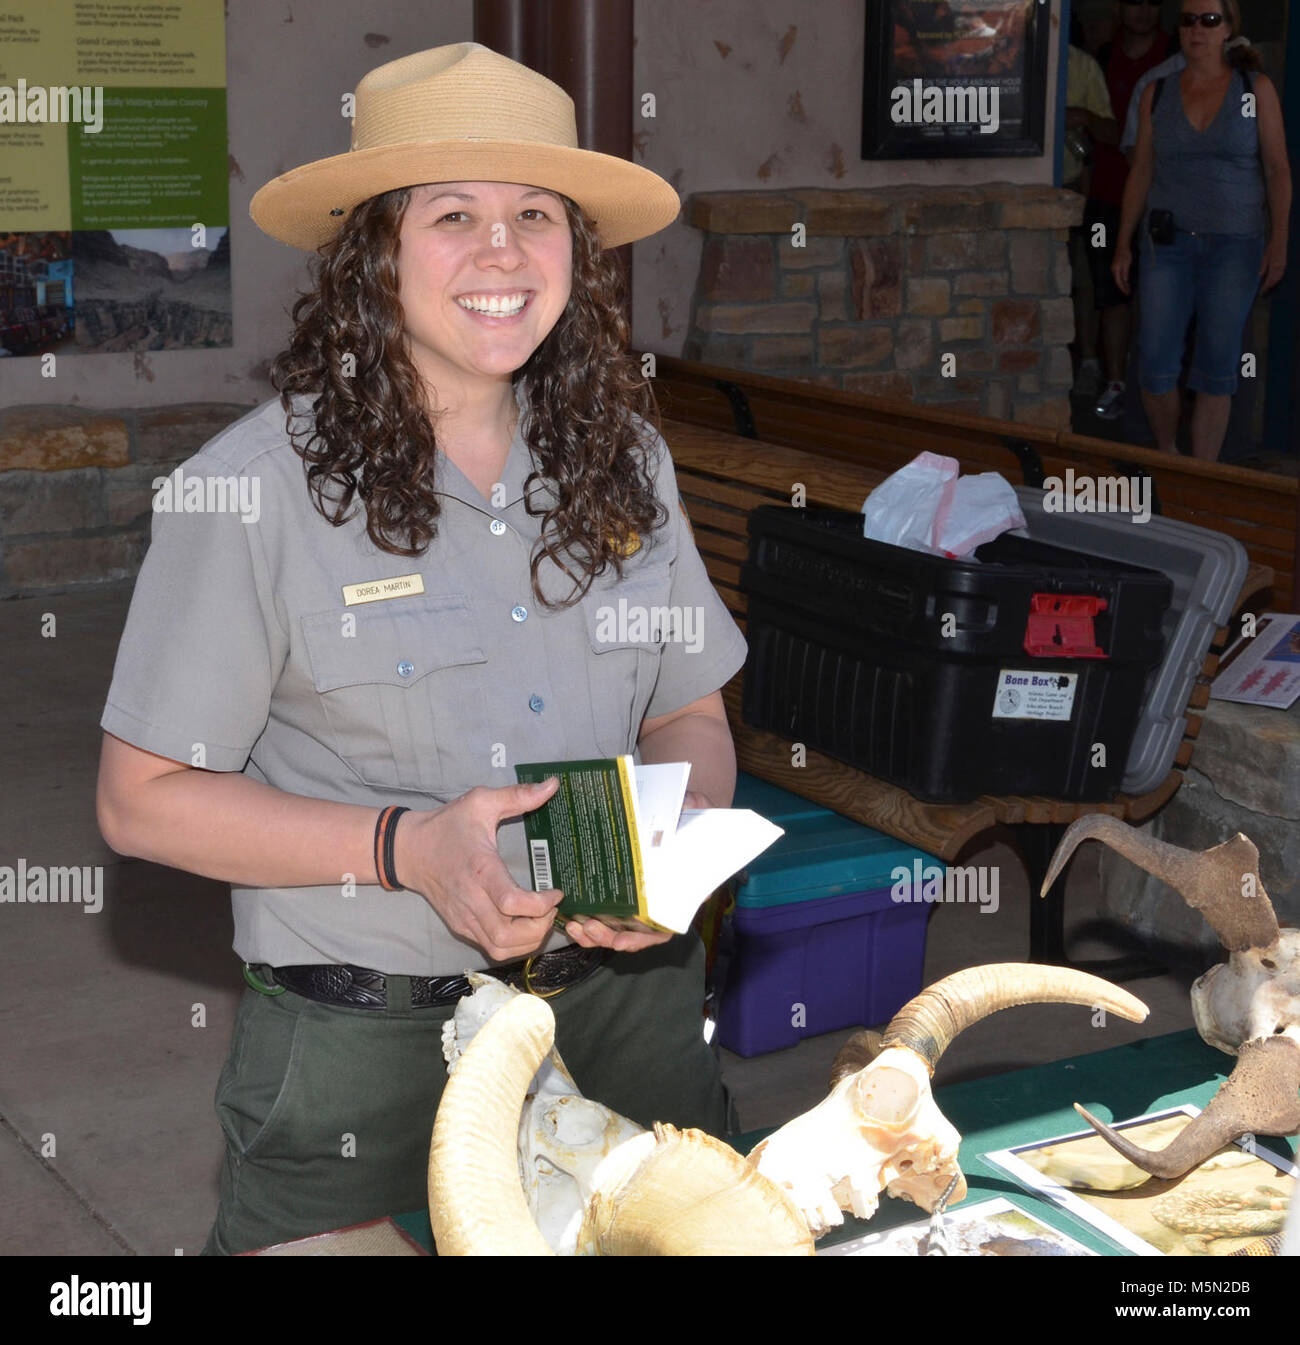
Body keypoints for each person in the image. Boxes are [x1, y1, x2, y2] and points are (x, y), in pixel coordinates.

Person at [95, 42, 747, 1255]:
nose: (502, 253)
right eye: (453, 214)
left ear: (576, 253)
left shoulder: (627, 462)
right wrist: (406, 849)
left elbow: (688, 712)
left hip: (626, 1012)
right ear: (373, 253)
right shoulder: (247, 493)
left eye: (534, 215)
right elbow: (142, 802)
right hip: (368, 1044)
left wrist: (675, 850)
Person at [1113, 0, 1290, 460]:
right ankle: (1169, 454)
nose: (1198, 28)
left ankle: (1203, 472)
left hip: (1235, 247)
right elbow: (1142, 171)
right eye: (1189, 19)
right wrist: (1121, 245)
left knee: (1217, 365)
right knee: (1154, 362)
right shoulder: (1158, 91)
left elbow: (1277, 170)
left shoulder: (1255, 89)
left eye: (1210, 19)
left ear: (1229, 27)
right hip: (1167, 245)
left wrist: (1280, 242)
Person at [1084, 0, 1172, 419]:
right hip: (1106, 193)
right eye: (1135, 3)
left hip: (1163, 200)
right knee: (1110, 290)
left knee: (1155, 293)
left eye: (1152, 3)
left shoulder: (1177, 57)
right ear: (1121, 9)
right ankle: (1115, 382)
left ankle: (1150, 388)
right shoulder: (1102, 56)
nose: (1143, 12)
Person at [1062, 36, 1119, 406]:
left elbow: (1112, 133)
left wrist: (1080, 117)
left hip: (1076, 189)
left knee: (1084, 278)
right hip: (1023, 188)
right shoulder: (1008, 55)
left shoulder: (1082, 65)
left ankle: (1088, 363)